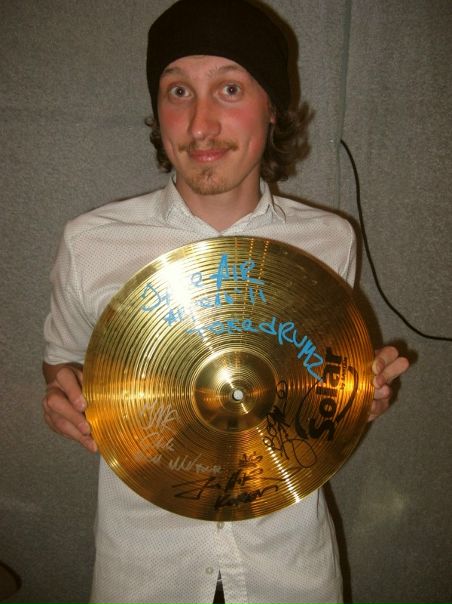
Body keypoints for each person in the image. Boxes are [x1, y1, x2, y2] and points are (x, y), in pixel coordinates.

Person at [42, 1, 410, 603]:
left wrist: (350, 398)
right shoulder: (91, 242)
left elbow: (311, 381)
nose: (200, 125)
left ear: (273, 107)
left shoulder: (330, 242)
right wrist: (64, 394)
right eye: (178, 91)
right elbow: (61, 358)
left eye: (230, 89)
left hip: (289, 567)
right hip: (145, 568)